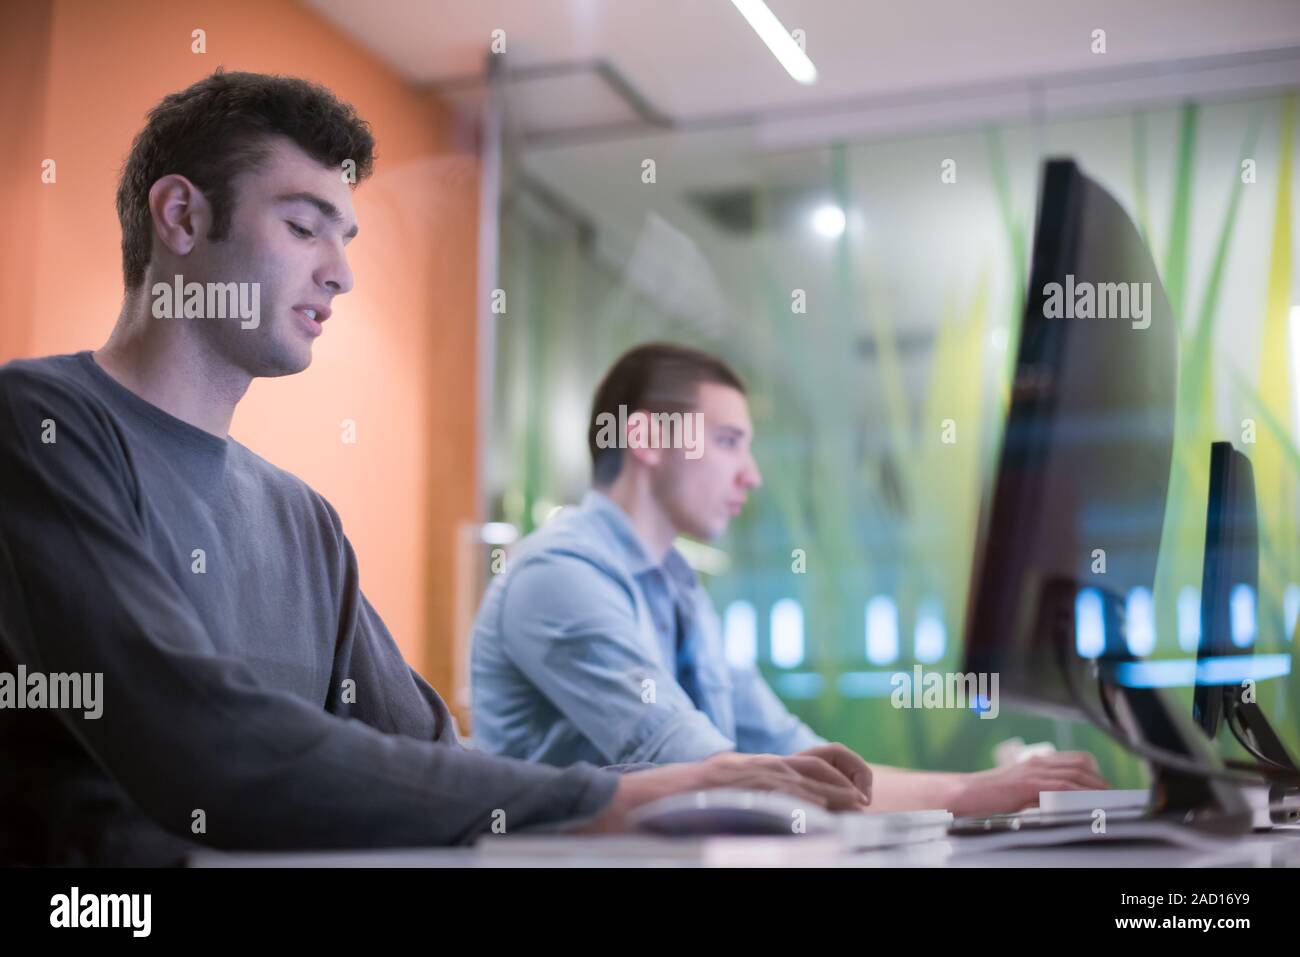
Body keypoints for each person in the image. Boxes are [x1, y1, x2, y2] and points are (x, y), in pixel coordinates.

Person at [0, 71, 871, 867]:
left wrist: (655, 803)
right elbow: (205, 745)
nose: (338, 273)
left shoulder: (300, 517)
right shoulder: (39, 425)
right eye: (302, 226)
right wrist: (616, 794)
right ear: (182, 218)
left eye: (343, 239)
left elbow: (430, 760)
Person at [470, 342, 1109, 816]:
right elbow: (704, 766)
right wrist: (971, 793)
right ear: (645, 438)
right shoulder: (560, 576)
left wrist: (977, 793)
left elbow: (797, 758)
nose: (751, 474)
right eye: (727, 441)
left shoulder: (680, 594)